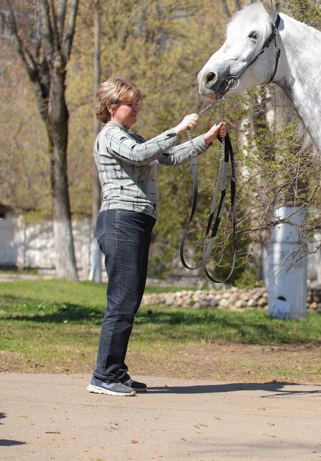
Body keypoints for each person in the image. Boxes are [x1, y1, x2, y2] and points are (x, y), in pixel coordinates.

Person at [88, 77, 226, 396]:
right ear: (111, 108)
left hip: (135, 222)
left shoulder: (130, 137)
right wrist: (177, 129)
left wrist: (205, 138)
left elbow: (167, 157)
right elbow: (140, 155)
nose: (136, 109)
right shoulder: (111, 136)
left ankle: (115, 371)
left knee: (129, 299)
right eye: (130, 104)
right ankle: (104, 374)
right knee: (122, 299)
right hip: (120, 220)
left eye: (137, 103)